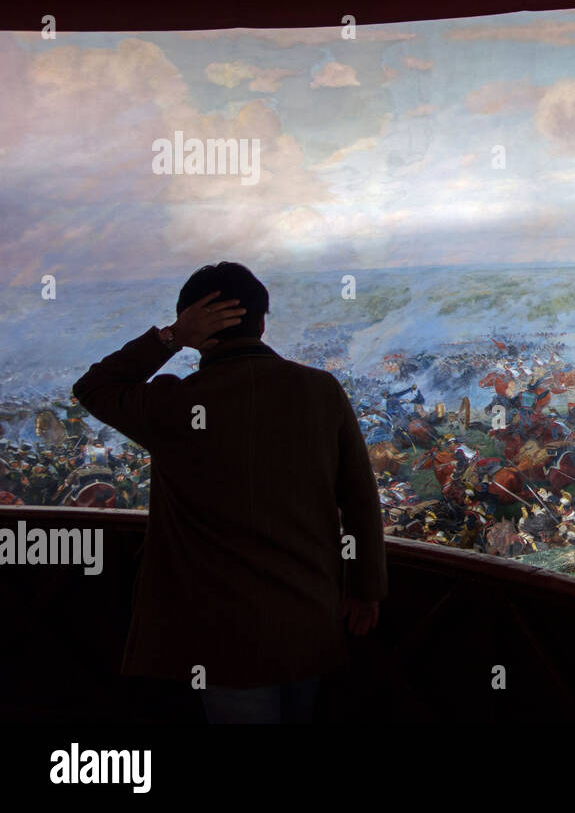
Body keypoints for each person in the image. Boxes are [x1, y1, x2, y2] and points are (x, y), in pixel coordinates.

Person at [72, 262, 387, 723]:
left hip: (221, 638)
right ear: (262, 323)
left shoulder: (171, 403)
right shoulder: (321, 391)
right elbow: (360, 500)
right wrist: (366, 589)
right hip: (312, 622)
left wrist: (171, 337)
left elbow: (92, 388)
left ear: (198, 331)